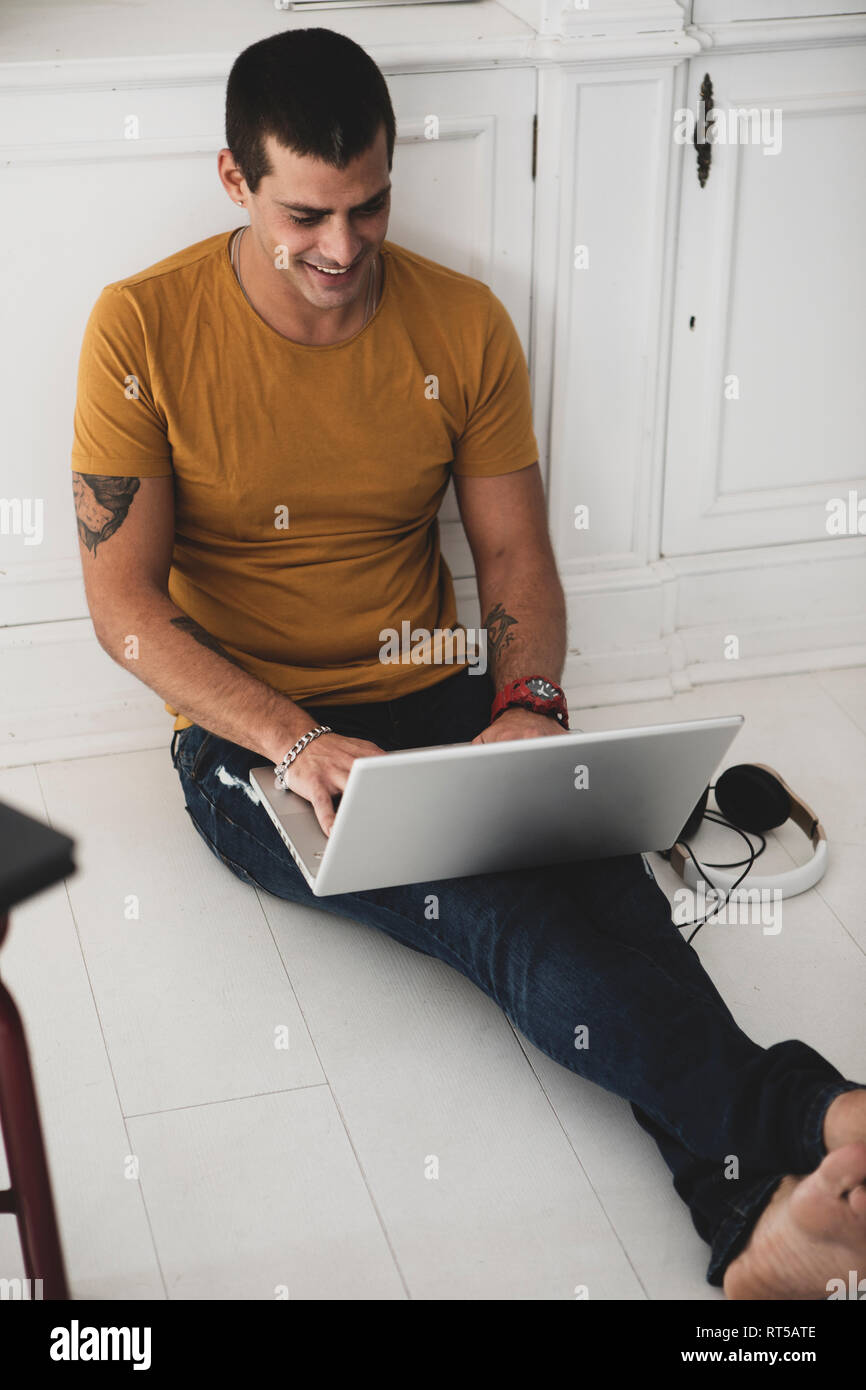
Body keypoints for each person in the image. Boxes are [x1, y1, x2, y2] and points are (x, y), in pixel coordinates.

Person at [70, 27, 866, 1299]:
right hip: (250, 736)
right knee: (493, 915)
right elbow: (121, 608)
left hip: (435, 682)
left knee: (608, 890)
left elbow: (513, 560)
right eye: (305, 213)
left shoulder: (463, 317)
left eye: (369, 203)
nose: (342, 247)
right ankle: (816, 1115)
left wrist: (529, 703)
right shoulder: (140, 326)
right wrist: (296, 740)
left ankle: (754, 1233)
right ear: (232, 178)